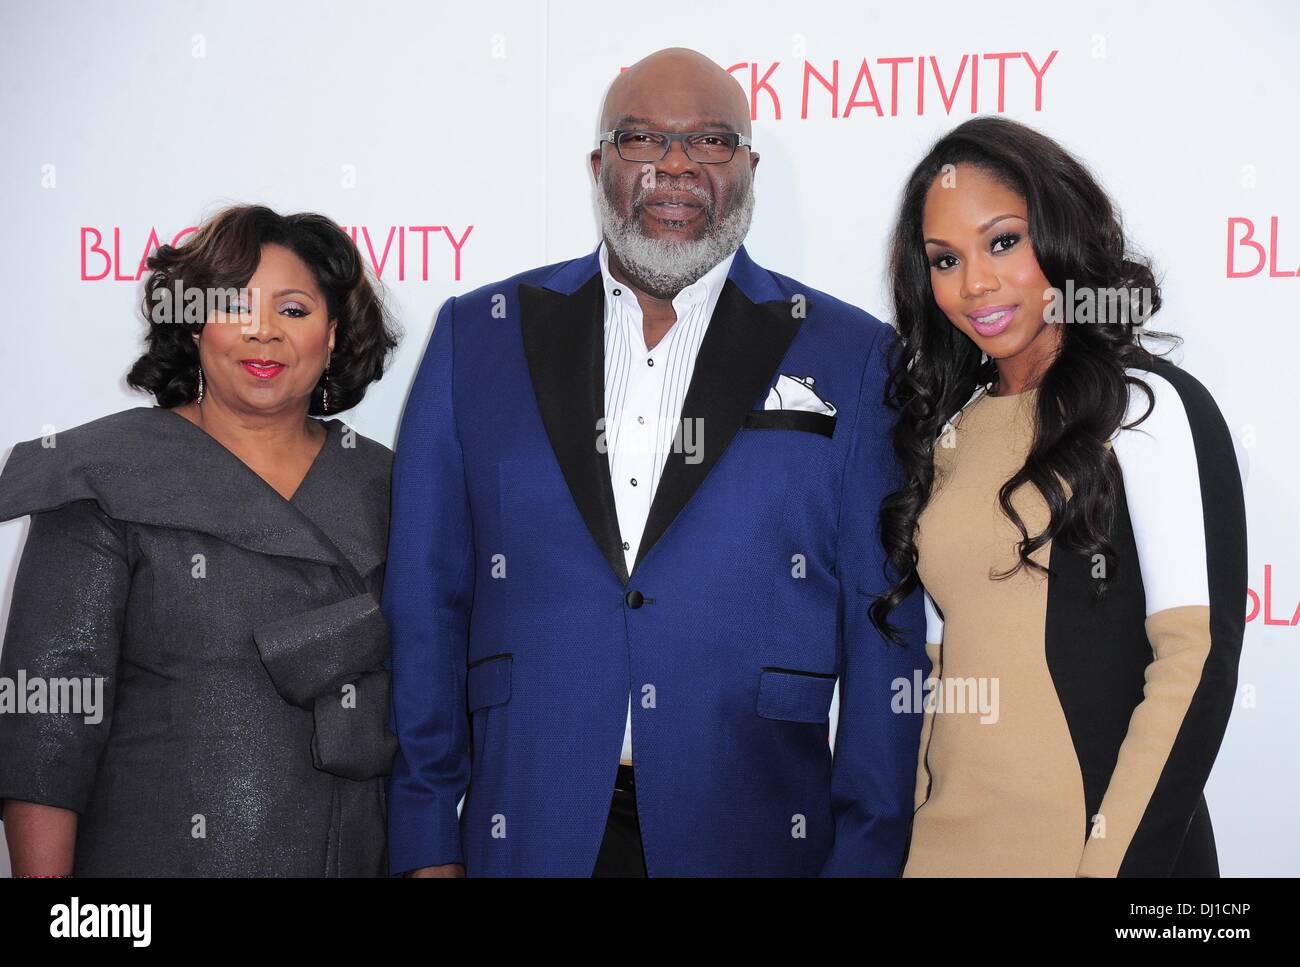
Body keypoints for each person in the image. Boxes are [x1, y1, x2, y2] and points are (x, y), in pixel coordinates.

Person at [384, 47, 925, 878]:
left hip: (754, 826)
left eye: (711, 143)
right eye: (642, 139)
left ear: (748, 169)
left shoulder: (853, 353)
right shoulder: (478, 334)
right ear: (599, 164)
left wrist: (865, 856)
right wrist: (423, 836)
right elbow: (426, 601)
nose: (675, 168)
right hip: (528, 819)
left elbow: (882, 625)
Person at [871, 117, 1247, 876]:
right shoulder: (951, 429)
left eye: (1004, 241)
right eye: (945, 259)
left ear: (1062, 232)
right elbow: (943, 670)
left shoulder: (1145, 406)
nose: (974, 282)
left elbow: (1194, 662)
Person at [0, 204, 401, 876]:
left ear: (332, 334)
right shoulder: (103, 474)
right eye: (235, 305)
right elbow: (49, 722)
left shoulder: (396, 484)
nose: (264, 332)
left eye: (294, 310)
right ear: (194, 325)